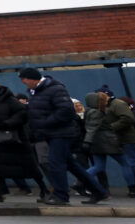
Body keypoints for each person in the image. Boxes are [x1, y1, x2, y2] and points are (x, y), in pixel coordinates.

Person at [21, 67, 106, 205]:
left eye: (24, 80)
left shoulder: (55, 89)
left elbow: (66, 110)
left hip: (61, 133)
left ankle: (61, 196)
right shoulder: (37, 91)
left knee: (55, 163)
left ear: (32, 79)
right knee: (71, 165)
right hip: (51, 133)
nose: (24, 83)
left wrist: (45, 123)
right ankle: (98, 191)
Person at [0, 78, 42, 202]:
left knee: (29, 165)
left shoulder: (9, 100)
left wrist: (6, 124)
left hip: (15, 139)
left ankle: (43, 189)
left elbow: (21, 114)